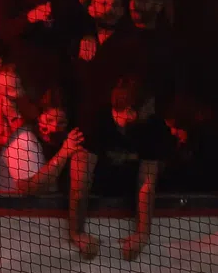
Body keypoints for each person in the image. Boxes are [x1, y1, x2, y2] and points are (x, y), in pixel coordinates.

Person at [70, 77, 174, 260]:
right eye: (149, 107)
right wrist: (77, 233)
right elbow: (80, 181)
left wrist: (142, 234)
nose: (152, 111)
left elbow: (147, 184)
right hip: (97, 198)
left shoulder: (154, 127)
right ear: (131, 112)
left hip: (129, 197)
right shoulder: (95, 122)